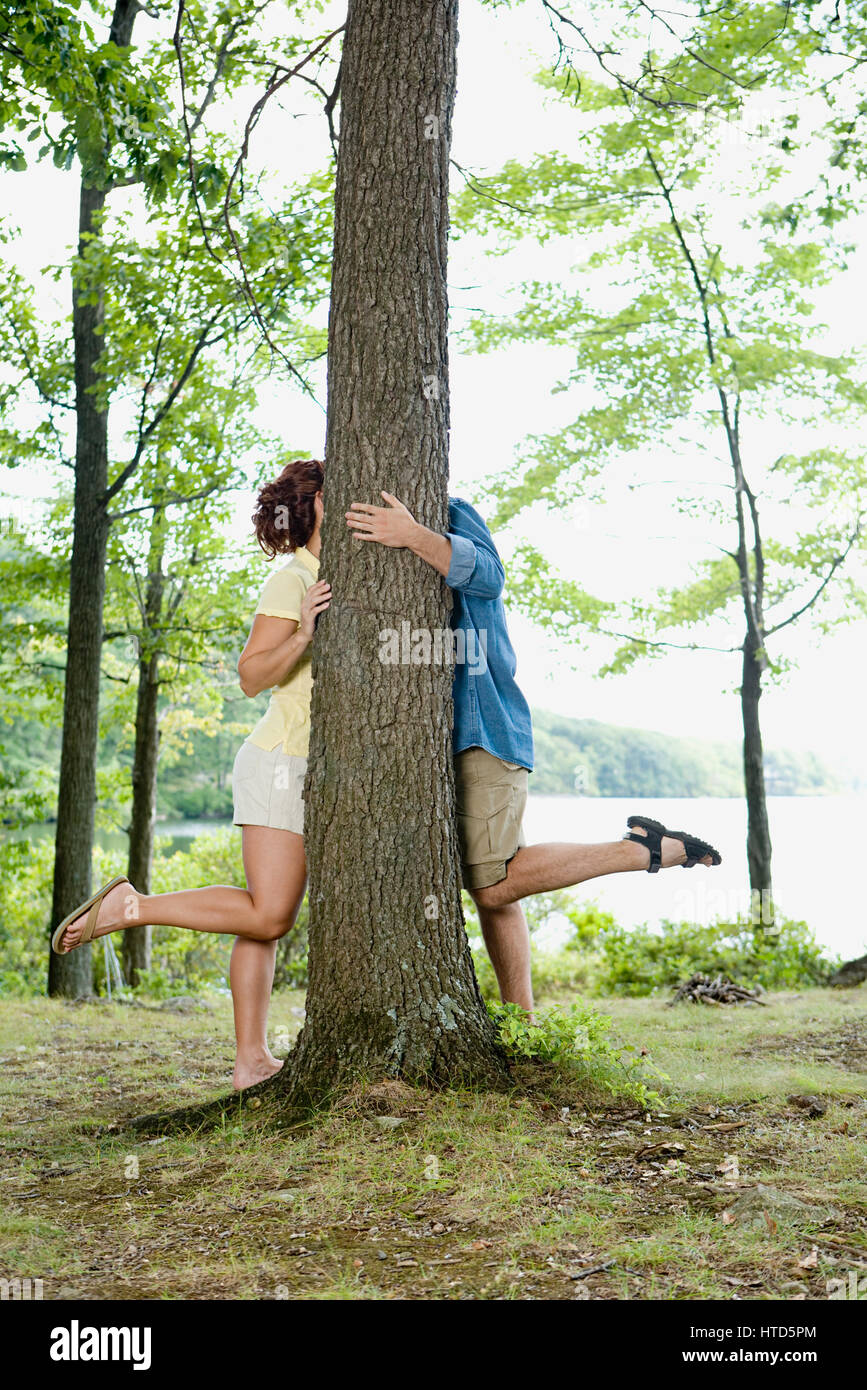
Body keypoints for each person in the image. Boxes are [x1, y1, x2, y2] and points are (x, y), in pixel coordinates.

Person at [345, 490, 721, 1017]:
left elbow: (490, 577)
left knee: (493, 883)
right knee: (497, 886)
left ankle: (647, 850)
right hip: (449, 738)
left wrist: (413, 535)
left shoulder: (449, 510)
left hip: (482, 727)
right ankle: (522, 1024)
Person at [52, 460, 331, 1091]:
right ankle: (133, 905)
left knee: (256, 916)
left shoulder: (333, 576)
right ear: (311, 508)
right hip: (281, 761)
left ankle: (251, 1061)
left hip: (304, 767)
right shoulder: (294, 580)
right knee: (269, 915)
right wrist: (307, 635)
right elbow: (252, 674)